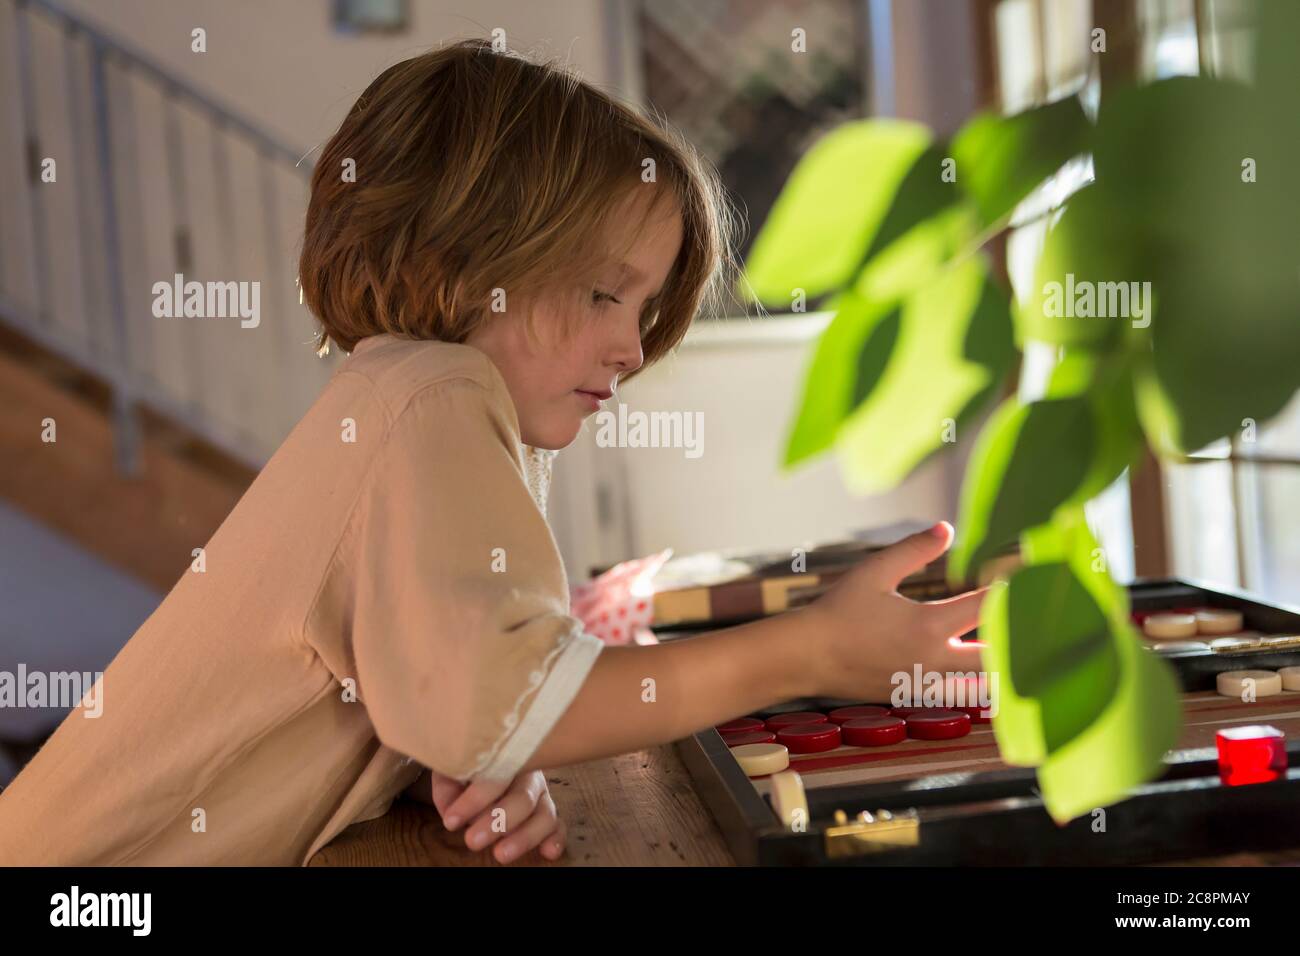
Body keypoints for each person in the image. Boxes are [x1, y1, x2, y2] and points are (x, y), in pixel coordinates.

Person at [0, 39, 983, 866]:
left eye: (643, 310)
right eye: (604, 294)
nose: (632, 347)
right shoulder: (432, 396)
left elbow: (470, 705)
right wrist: (810, 649)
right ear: (459, 261)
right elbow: (493, 707)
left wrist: (484, 761)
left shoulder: (415, 405)